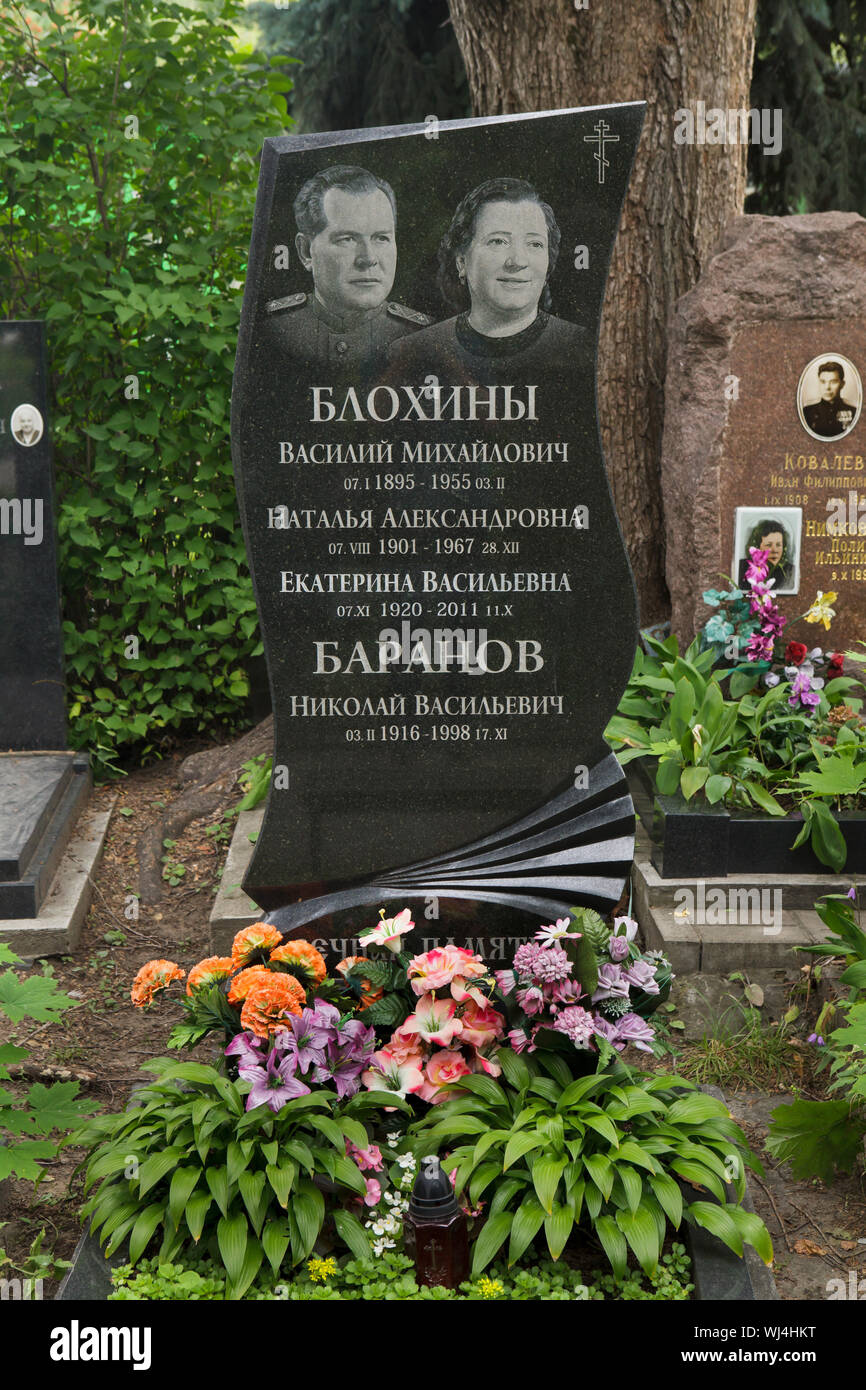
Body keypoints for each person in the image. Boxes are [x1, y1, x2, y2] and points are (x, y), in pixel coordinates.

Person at [386, 177, 588, 386]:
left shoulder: (586, 347)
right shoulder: (413, 353)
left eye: (534, 244)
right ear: (462, 261)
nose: (517, 261)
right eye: (498, 241)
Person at [262, 164, 431, 379]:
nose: (368, 259)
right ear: (305, 251)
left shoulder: (424, 337)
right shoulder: (273, 330)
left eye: (381, 238)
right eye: (347, 239)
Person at [802, 360, 859, 439]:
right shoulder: (807, 411)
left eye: (833, 382)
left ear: (842, 384)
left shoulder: (854, 411)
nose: (827, 387)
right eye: (823, 382)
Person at [737, 518, 795, 591]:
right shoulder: (742, 568)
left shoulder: (790, 571)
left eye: (778, 545)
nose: (775, 550)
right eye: (768, 545)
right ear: (757, 547)